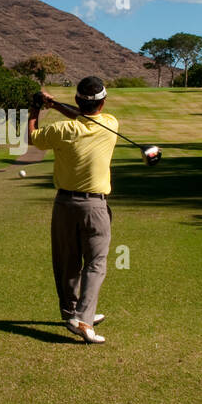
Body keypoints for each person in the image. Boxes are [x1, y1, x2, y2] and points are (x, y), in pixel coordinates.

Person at [28, 76, 118, 344]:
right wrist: (55, 104)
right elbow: (85, 114)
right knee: (96, 262)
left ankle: (73, 312)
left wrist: (38, 109)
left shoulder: (61, 130)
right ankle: (81, 318)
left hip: (64, 204)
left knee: (67, 262)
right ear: (103, 102)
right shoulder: (111, 124)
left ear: (78, 99)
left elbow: (33, 138)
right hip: (95, 206)